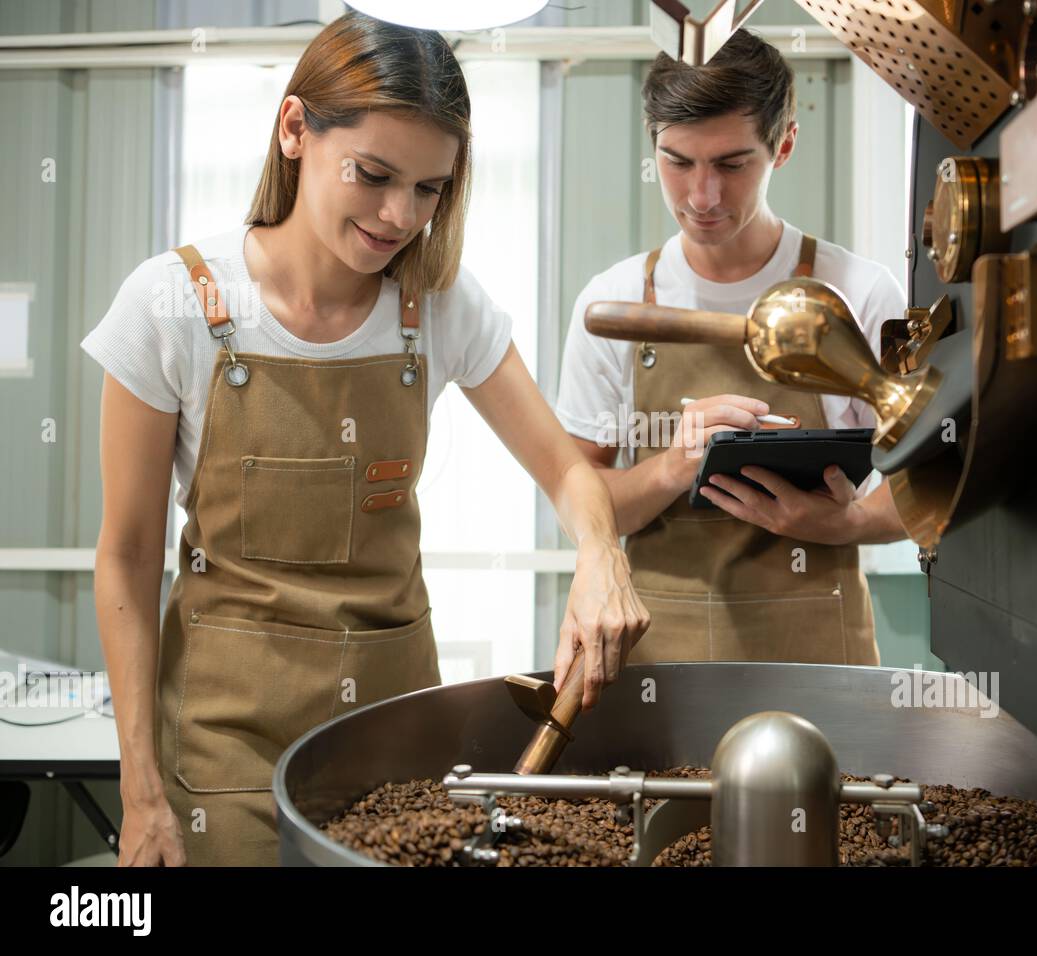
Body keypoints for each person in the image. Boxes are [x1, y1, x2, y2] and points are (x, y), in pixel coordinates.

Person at [81, 11, 648, 867]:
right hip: (226, 751)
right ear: (295, 129)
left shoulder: (440, 306)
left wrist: (601, 555)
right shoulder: (174, 305)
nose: (399, 216)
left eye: (429, 189)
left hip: (395, 735)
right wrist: (141, 790)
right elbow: (125, 557)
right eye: (374, 175)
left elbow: (568, 472)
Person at [556, 29, 908, 667]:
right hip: (662, 658)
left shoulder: (860, 294)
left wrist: (847, 523)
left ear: (784, 145)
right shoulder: (612, 302)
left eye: (731, 164)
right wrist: (674, 465)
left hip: (819, 655)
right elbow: (580, 505)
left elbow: (932, 485)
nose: (702, 197)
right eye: (677, 162)